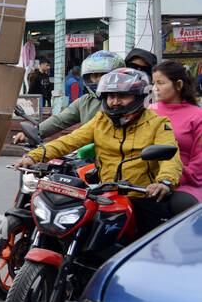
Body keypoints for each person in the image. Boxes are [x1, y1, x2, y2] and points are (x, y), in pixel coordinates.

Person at [15, 68, 195, 234]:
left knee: (149, 246)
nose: (115, 102)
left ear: (139, 96)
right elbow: (69, 141)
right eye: (110, 96)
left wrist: (164, 182)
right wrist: (33, 156)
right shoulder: (101, 120)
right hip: (104, 194)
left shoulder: (158, 124)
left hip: (142, 195)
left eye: (122, 96)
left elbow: (171, 158)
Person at [14, 50, 122, 144]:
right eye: (95, 76)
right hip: (88, 156)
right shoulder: (85, 101)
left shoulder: (125, 102)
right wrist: (35, 132)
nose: (99, 80)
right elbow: (59, 120)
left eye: (104, 75)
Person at [151, 60, 202, 202]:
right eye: (153, 83)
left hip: (187, 182)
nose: (155, 88)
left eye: (160, 83)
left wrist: (173, 178)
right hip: (148, 179)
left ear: (178, 85)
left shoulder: (197, 115)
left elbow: (199, 160)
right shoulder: (149, 111)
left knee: (181, 204)